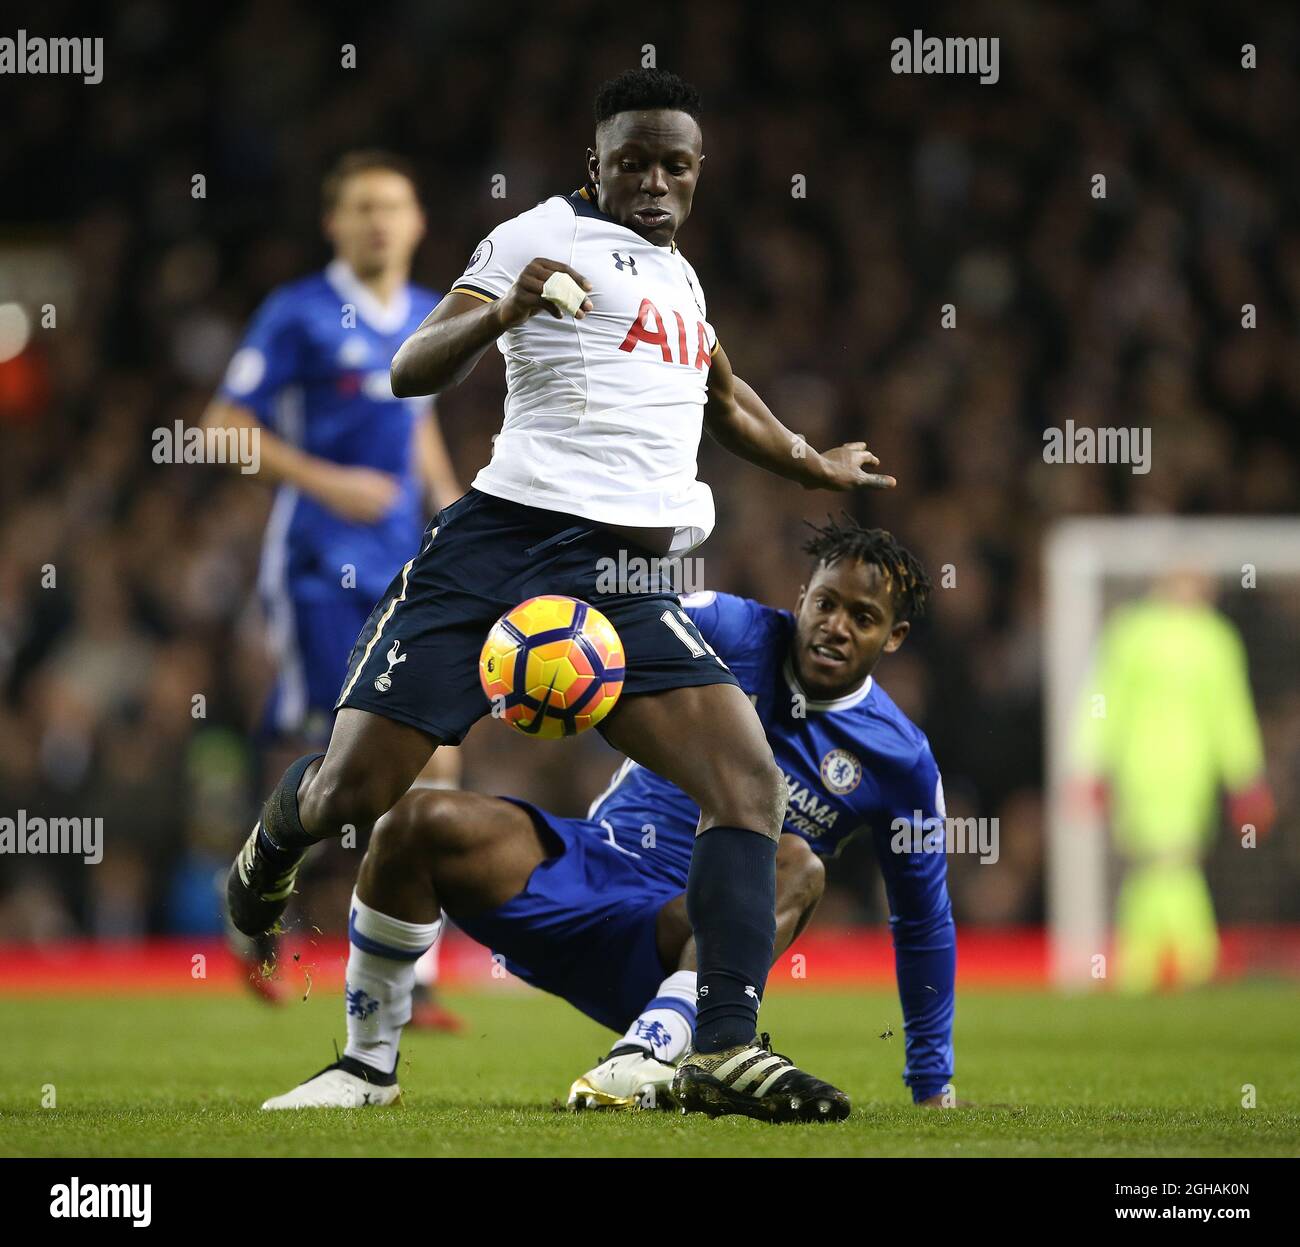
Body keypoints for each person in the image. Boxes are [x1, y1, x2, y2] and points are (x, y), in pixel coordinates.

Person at [227, 67, 895, 1123]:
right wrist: (506, 308)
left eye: (674, 163)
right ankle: (275, 841)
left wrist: (813, 463)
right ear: (598, 161)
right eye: (633, 159)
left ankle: (718, 1041)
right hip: (498, 545)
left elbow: (726, 397)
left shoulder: (682, 282)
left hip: (624, 578)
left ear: (696, 172)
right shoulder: (534, 236)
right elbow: (410, 365)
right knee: (357, 790)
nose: (653, 179)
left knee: (748, 789)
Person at [261, 521, 956, 1115]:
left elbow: (923, 919)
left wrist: (932, 1081)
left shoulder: (902, 760)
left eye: (862, 618)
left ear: (892, 637)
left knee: (795, 862)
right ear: (801, 597)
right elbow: (612, 624)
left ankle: (650, 1049)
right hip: (590, 864)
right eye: (826, 603)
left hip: (679, 938)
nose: (836, 625)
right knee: (415, 822)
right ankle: (366, 1066)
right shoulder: (726, 625)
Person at [203, 150, 461, 1025]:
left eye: (394, 204)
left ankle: (409, 977)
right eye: (361, 207)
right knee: (343, 763)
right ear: (335, 224)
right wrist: (329, 482)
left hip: (403, 572)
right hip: (316, 565)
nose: (379, 220)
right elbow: (218, 433)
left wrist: (453, 506)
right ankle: (253, 880)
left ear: (419, 220)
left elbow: (416, 427)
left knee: (436, 752)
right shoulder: (298, 314)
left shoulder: (431, 312)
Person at [1072, 569, 1275, 992]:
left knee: (1160, 862)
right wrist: (1088, 764)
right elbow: (1106, 699)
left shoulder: (1193, 636)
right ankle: (1195, 958)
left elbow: (1228, 714)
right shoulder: (1176, 636)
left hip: (1169, 769)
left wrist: (1246, 778)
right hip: (1156, 767)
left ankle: (1140, 966)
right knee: (1170, 861)